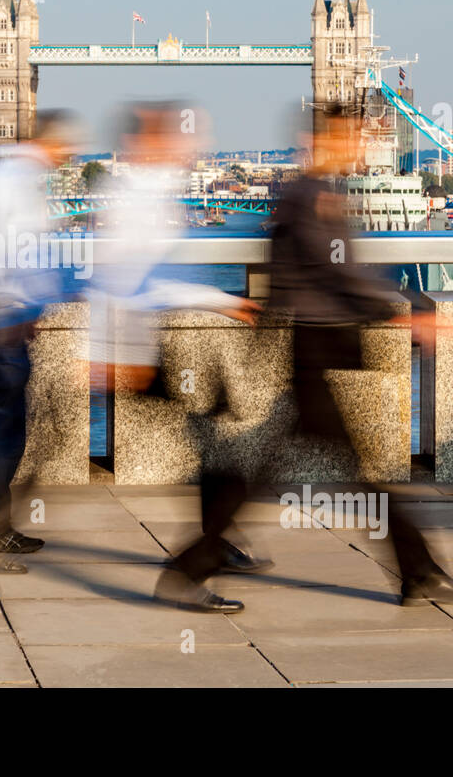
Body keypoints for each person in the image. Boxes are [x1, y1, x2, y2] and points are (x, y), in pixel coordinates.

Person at [258, 104, 453, 607]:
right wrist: (402, 315)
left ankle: (200, 555)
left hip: (315, 348)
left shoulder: (314, 194)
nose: (358, 147)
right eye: (351, 138)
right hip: (312, 349)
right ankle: (417, 568)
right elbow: (336, 275)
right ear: (325, 140)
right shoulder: (310, 198)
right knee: (355, 474)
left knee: (285, 468)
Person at [83, 102, 260, 613]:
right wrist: (99, 355)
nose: (190, 147)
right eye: (178, 138)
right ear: (149, 143)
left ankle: (212, 543)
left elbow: (145, 280)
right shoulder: (132, 199)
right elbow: (114, 279)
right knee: (224, 452)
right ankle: (193, 566)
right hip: (133, 353)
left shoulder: (154, 194)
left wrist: (224, 301)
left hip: (145, 348)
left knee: (215, 440)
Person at [0, 111, 78, 555]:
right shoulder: (11, 180)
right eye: (66, 146)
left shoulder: (3, 174)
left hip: (4, 312)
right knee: (4, 426)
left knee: (4, 422)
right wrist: (8, 307)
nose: (69, 154)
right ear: (49, 142)